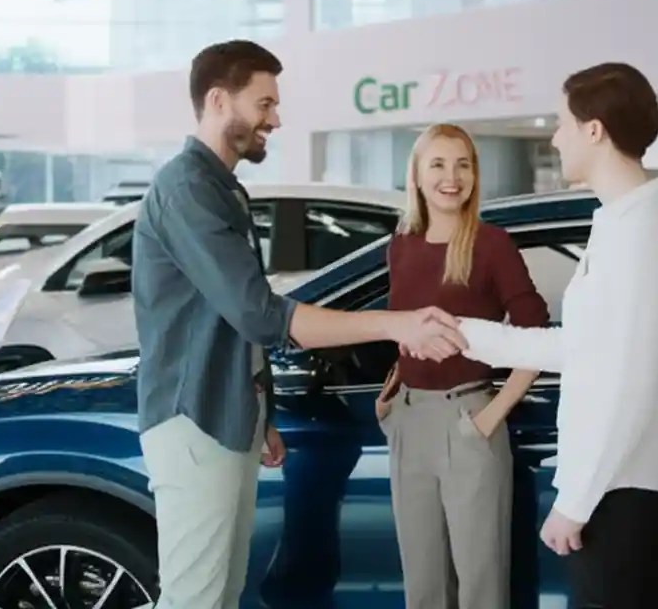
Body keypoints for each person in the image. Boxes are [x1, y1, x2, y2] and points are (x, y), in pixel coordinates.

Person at [132, 39, 467, 609]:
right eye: (264, 104)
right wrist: (396, 325)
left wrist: (260, 412)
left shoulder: (220, 186)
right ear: (218, 100)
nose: (275, 119)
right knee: (196, 598)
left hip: (225, 417)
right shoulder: (187, 189)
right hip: (195, 419)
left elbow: (232, 318)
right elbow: (261, 315)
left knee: (219, 593)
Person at [453, 62, 658, 609]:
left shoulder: (642, 234)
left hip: (620, 491)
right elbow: (579, 348)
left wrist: (576, 502)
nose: (555, 136)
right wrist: (461, 334)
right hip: (615, 485)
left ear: (595, 130)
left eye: (564, 122)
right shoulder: (619, 221)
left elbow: (628, 385)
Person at [375, 123, 550, 609]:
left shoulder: (492, 245)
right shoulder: (402, 244)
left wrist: (492, 415)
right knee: (424, 589)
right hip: (409, 422)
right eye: (438, 164)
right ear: (416, 174)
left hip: (468, 420)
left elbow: (537, 336)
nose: (451, 177)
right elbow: (406, 323)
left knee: (480, 589)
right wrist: (393, 388)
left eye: (463, 164)